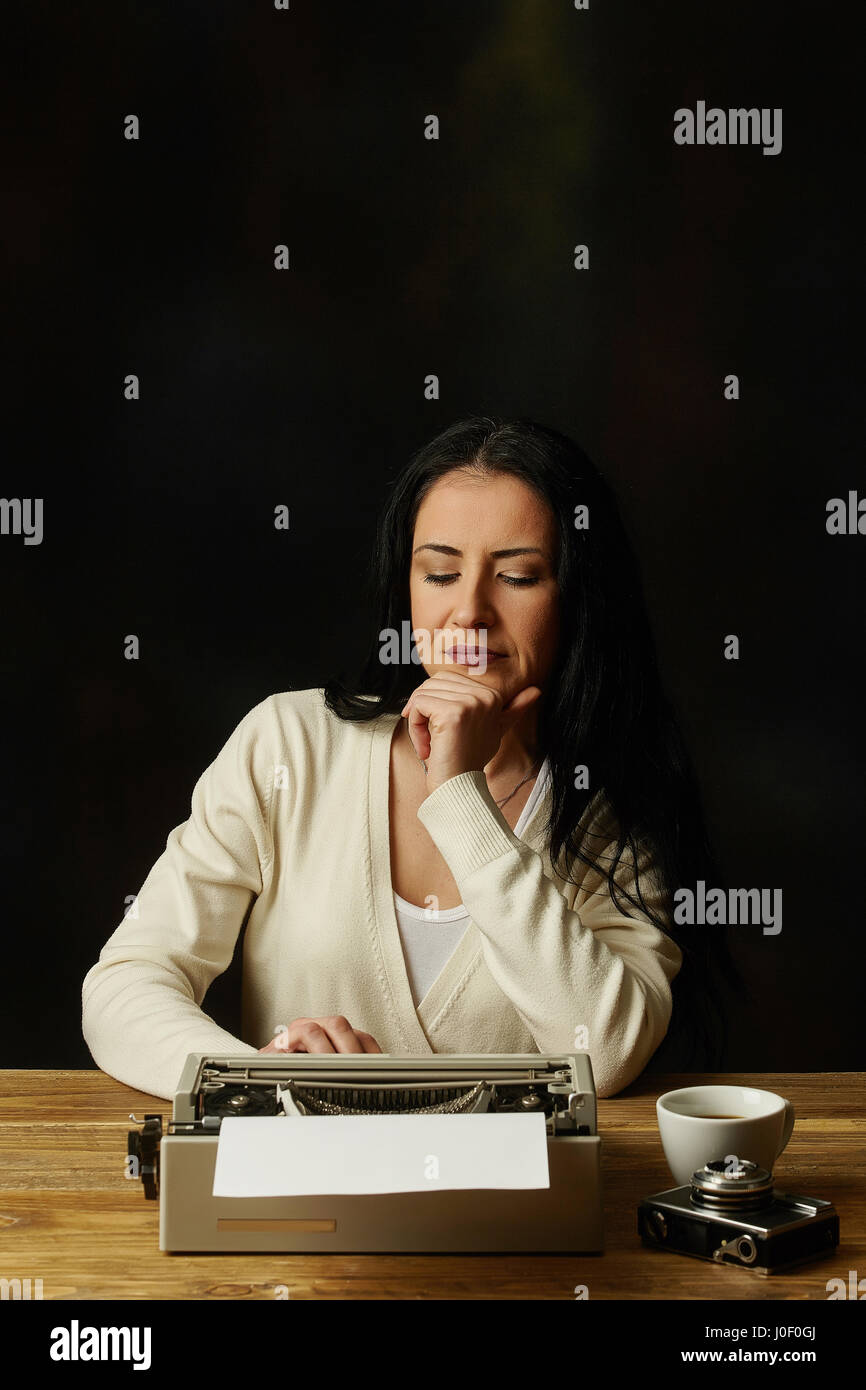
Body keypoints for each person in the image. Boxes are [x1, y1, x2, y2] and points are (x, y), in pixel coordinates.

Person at [82, 416, 740, 1101]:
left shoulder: (609, 814)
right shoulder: (289, 745)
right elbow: (123, 987)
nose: (469, 613)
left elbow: (603, 1055)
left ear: (578, 598)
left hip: (501, 1205)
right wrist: (264, 1082)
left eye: (517, 576)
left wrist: (460, 795)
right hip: (297, 1190)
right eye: (441, 572)